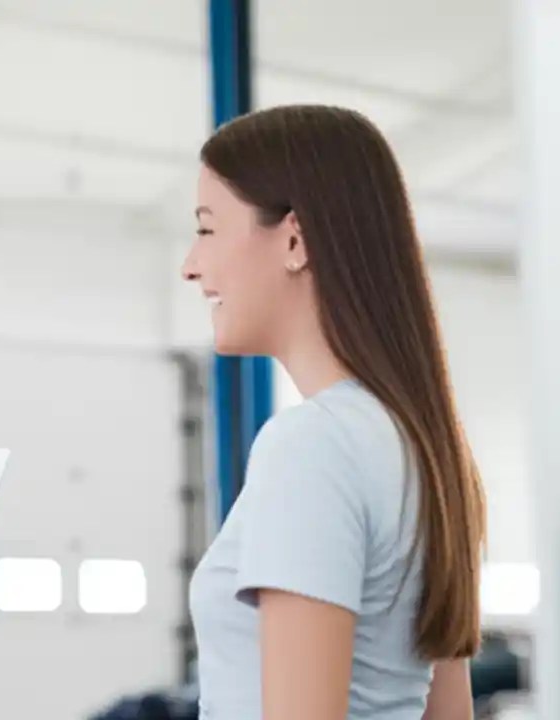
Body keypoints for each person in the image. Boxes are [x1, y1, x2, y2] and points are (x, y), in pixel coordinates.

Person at [181, 104, 484, 719]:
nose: (192, 265)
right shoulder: (419, 448)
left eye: (208, 230)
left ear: (295, 240)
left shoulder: (313, 446)